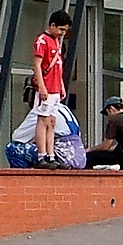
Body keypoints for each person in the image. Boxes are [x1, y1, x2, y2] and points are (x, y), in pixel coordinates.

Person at [31, 10, 72, 168]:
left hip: (54, 87)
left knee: (52, 122)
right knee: (43, 120)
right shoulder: (43, 40)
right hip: (46, 87)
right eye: (61, 29)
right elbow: (37, 65)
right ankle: (42, 154)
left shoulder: (56, 41)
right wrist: (41, 85)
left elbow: (57, 66)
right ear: (52, 25)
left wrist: (61, 85)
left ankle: (50, 154)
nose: (63, 33)